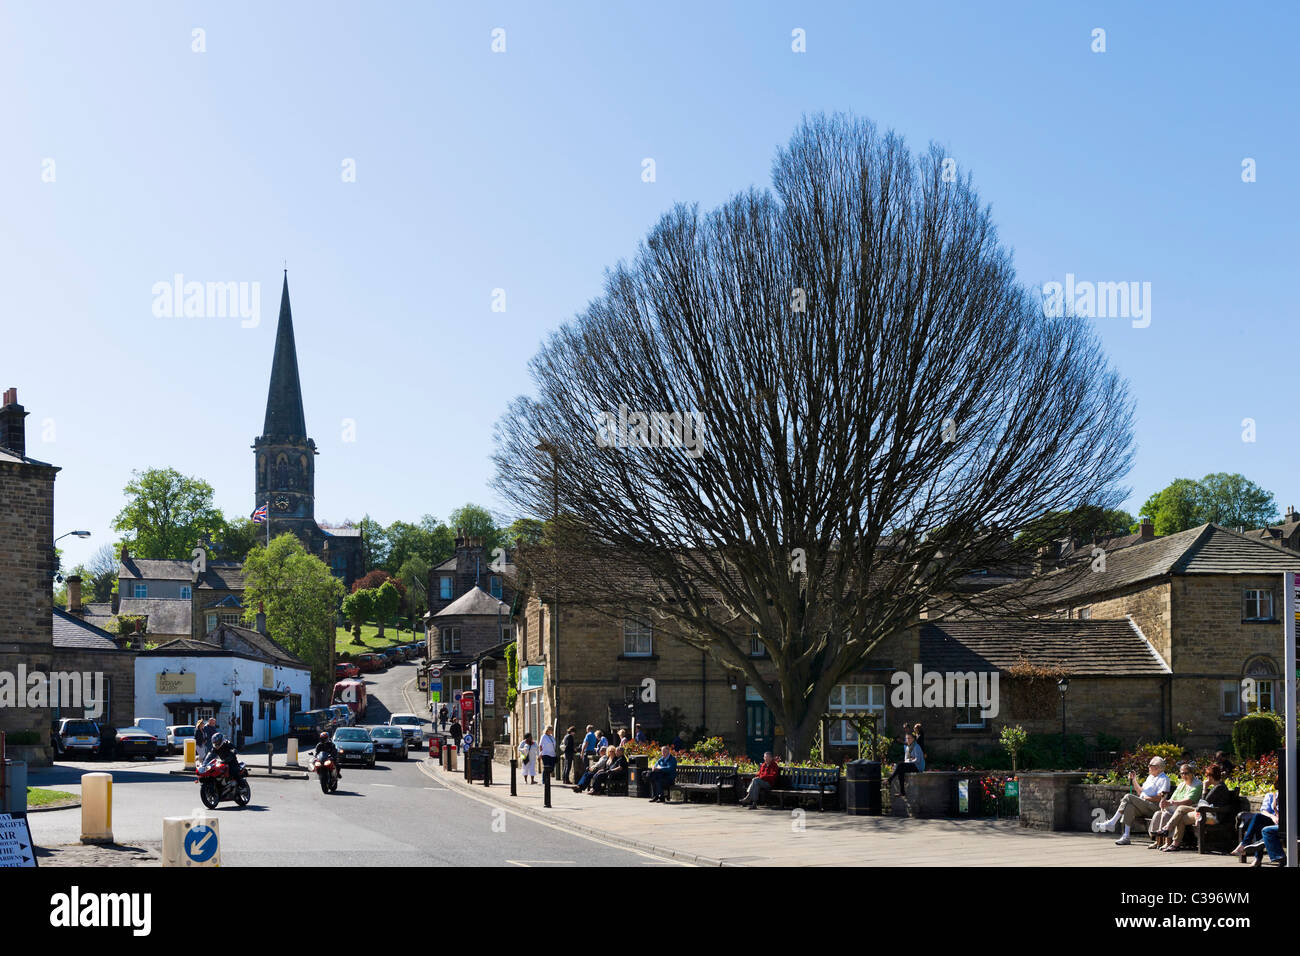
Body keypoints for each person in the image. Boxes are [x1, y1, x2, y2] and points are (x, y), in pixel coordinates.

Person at [1099, 756, 1170, 845]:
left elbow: (1161, 797)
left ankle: (1112, 822)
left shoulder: (1164, 779)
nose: (1148, 767)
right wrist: (1134, 780)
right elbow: (1140, 792)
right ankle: (1126, 836)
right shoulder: (1150, 777)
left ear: (1157, 767)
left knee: (1128, 796)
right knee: (1129, 806)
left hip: (1154, 807)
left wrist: (1145, 798)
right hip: (1144, 805)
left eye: (1150, 765)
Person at [1164, 763, 1233, 851]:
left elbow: (1204, 801)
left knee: (1180, 817)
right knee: (1181, 808)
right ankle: (1169, 831)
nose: (1206, 779)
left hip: (1213, 816)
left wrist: (1204, 788)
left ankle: (1173, 840)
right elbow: (1204, 803)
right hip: (1207, 811)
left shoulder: (1218, 788)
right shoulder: (1218, 786)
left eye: (1207, 776)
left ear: (1211, 777)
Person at [1147, 763, 1202, 850]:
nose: (1183, 775)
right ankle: (1158, 841)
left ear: (1192, 773)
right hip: (1176, 808)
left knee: (1167, 814)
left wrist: (1173, 803)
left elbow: (1189, 801)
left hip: (1189, 808)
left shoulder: (1197, 784)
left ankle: (1167, 842)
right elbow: (1172, 799)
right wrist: (1165, 802)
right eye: (1182, 773)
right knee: (1158, 813)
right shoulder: (1181, 785)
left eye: (1186, 773)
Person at [1232, 790, 1278, 856]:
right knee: (1258, 818)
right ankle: (1246, 846)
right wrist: (1273, 817)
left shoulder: (1291, 796)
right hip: (1272, 821)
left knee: (1258, 826)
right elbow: (1264, 811)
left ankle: (1246, 846)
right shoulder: (1271, 795)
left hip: (1285, 824)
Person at [888, 732, 925, 797]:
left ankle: (890, 779)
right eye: (907, 738)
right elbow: (906, 760)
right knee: (900, 770)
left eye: (909, 738)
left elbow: (918, 760)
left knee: (900, 765)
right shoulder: (907, 748)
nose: (908, 740)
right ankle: (902, 792)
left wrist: (910, 760)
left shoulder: (916, 746)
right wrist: (910, 759)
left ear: (913, 739)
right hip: (912, 764)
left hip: (918, 766)